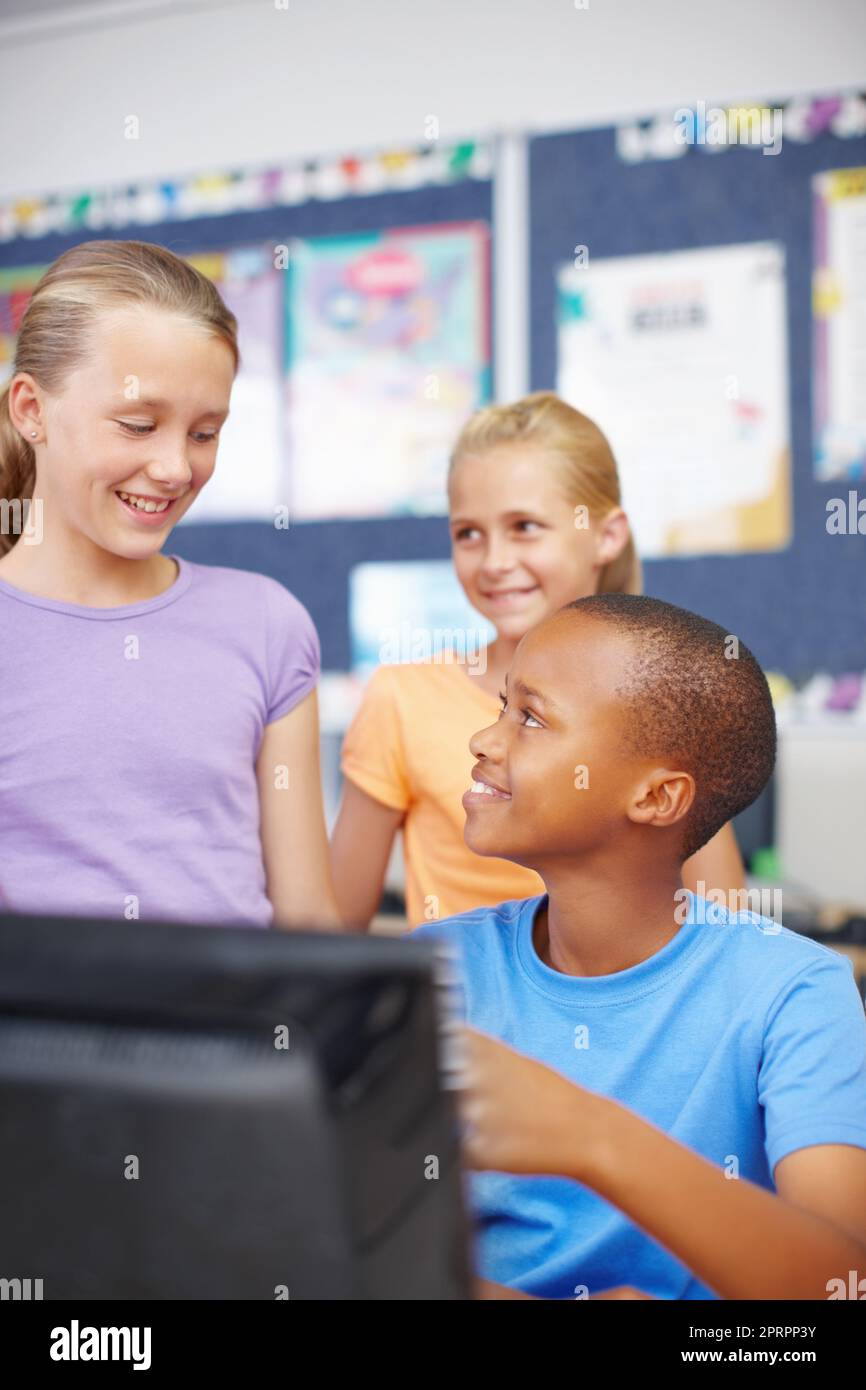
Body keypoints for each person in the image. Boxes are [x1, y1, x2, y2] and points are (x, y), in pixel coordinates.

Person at [414, 595, 866, 1299]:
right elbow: (350, 1248)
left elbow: (840, 1285)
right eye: (503, 706)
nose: (486, 741)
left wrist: (591, 1136)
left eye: (531, 718)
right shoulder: (433, 969)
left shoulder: (796, 992)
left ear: (657, 798)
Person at [0, 239, 339, 930]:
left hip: (235, 1036)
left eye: (205, 432)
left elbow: (306, 922)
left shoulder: (266, 624)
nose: (175, 468)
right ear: (31, 410)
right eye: (138, 425)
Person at [332, 393, 745, 929]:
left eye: (525, 527)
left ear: (607, 536)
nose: (496, 562)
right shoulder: (402, 698)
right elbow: (332, 934)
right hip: (466, 1012)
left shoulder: (666, 705)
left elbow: (727, 935)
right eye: (469, 534)